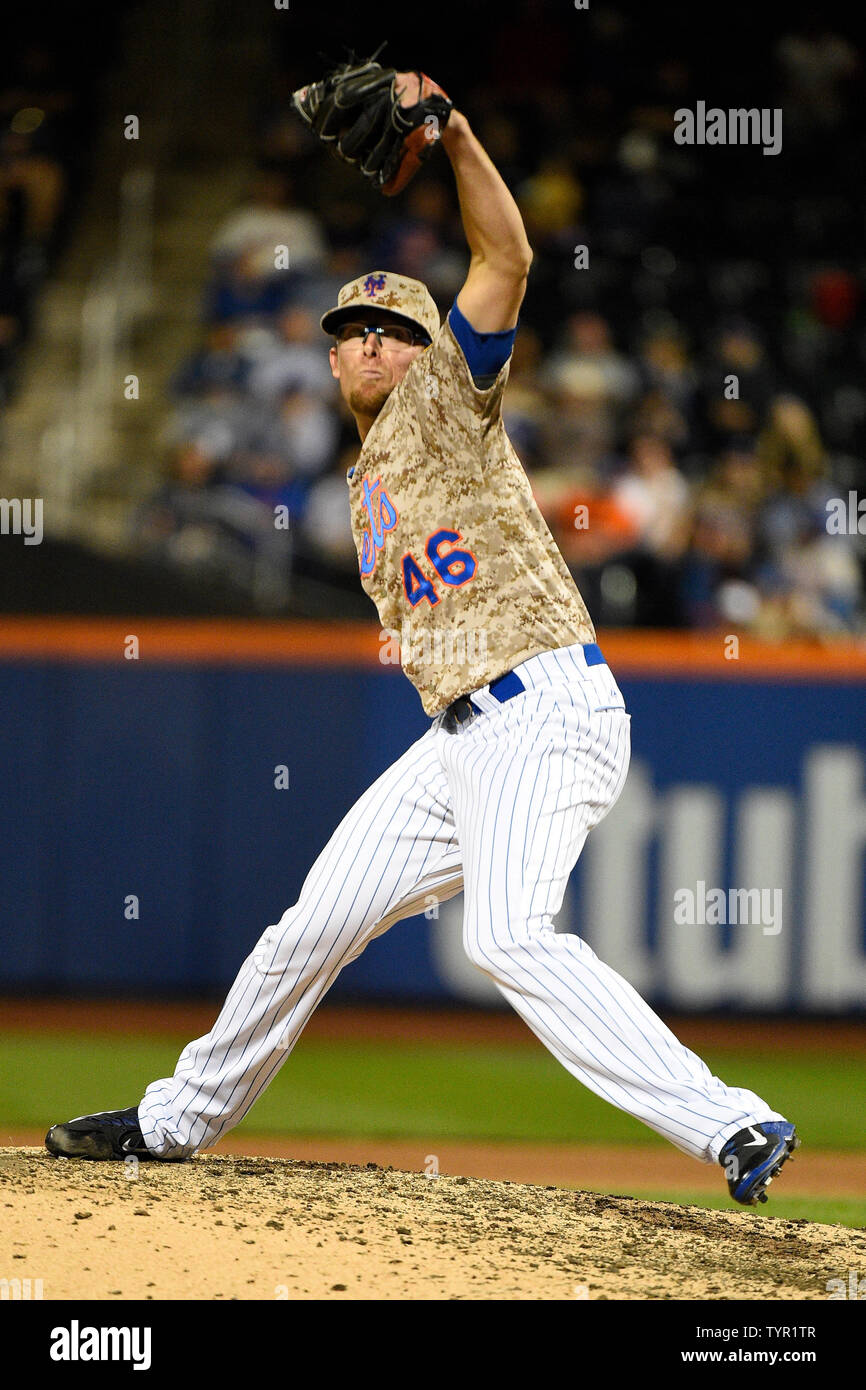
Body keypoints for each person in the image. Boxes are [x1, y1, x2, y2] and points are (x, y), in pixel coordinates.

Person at [46, 99, 798, 1207]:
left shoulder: (446, 399)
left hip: (544, 708)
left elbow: (508, 253)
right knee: (311, 924)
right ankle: (173, 1121)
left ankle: (731, 1120)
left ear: (423, 348)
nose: (366, 342)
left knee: (503, 935)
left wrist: (449, 136)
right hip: (457, 739)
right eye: (349, 329)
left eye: (391, 329)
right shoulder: (357, 487)